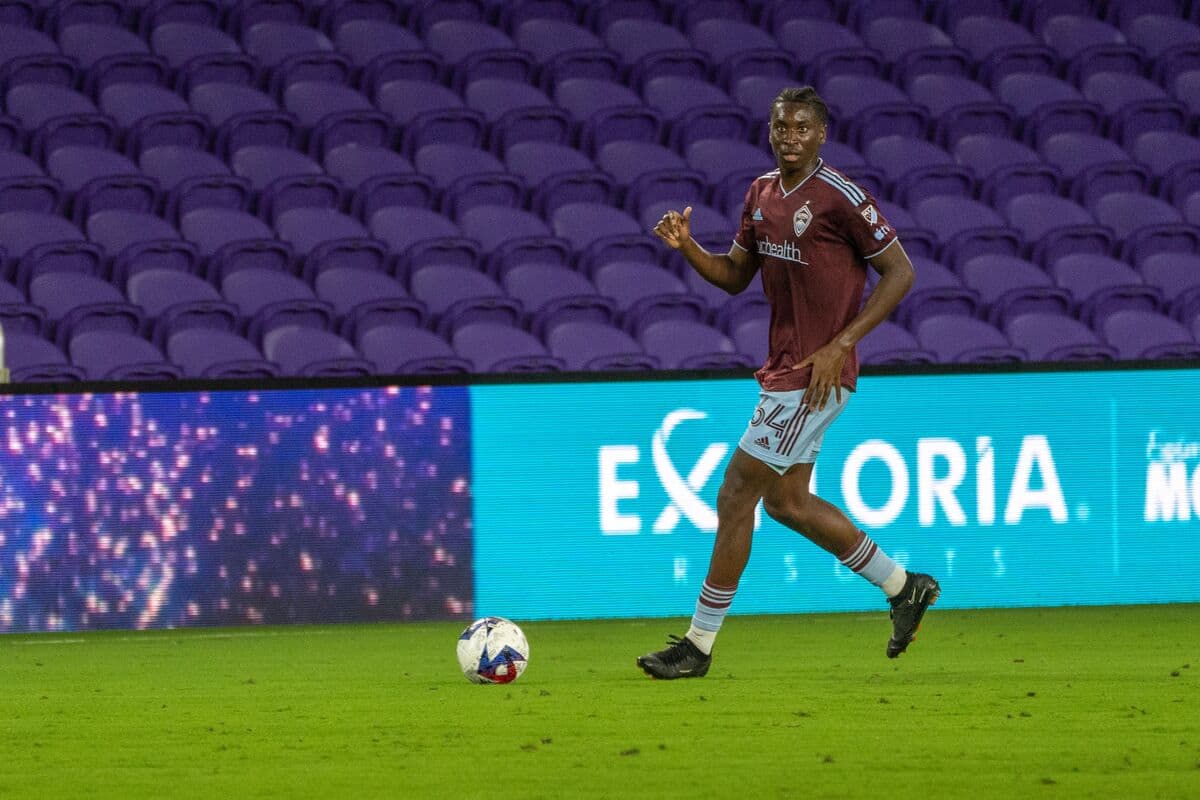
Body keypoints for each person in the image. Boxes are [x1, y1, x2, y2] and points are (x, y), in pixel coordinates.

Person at [637, 86, 940, 679]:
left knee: (734, 496)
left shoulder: (842, 197)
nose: (790, 137)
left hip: (815, 375)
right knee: (787, 502)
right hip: (783, 370)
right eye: (781, 127)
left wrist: (843, 343)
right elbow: (734, 277)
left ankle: (697, 648)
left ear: (821, 134)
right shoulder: (760, 193)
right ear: (770, 132)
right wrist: (688, 247)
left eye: (802, 128)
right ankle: (904, 588)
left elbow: (901, 272)